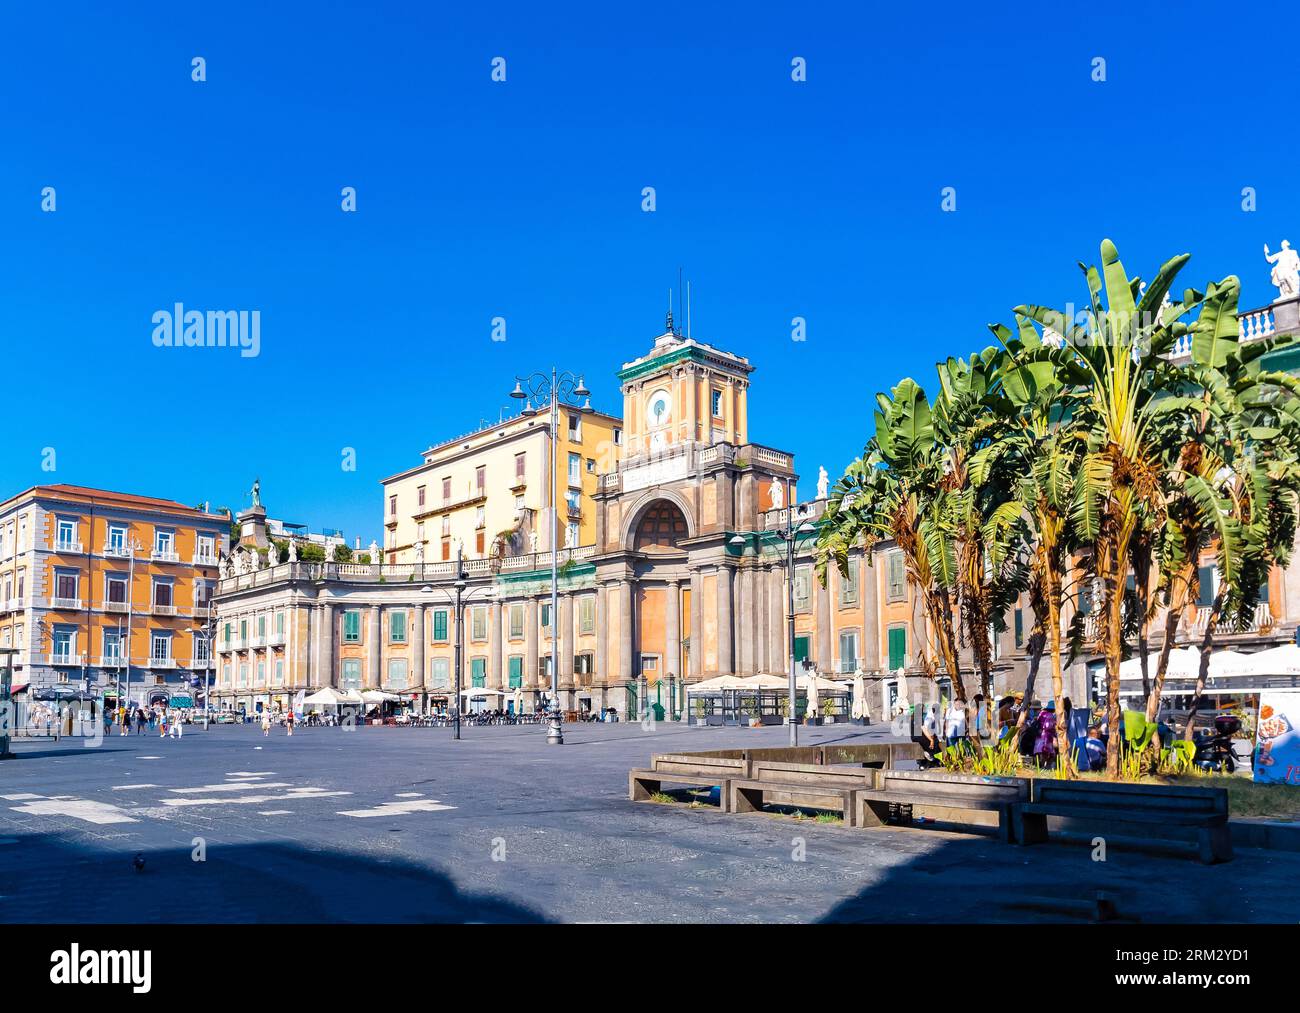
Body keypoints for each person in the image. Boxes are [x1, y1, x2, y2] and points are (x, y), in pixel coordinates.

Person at [1033, 700, 1058, 764]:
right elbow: (1048, 726)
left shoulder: (1041, 713)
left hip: (1039, 734)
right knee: (1047, 751)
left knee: (1039, 750)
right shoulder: (1050, 715)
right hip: (1047, 736)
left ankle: (1039, 765)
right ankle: (1046, 765)